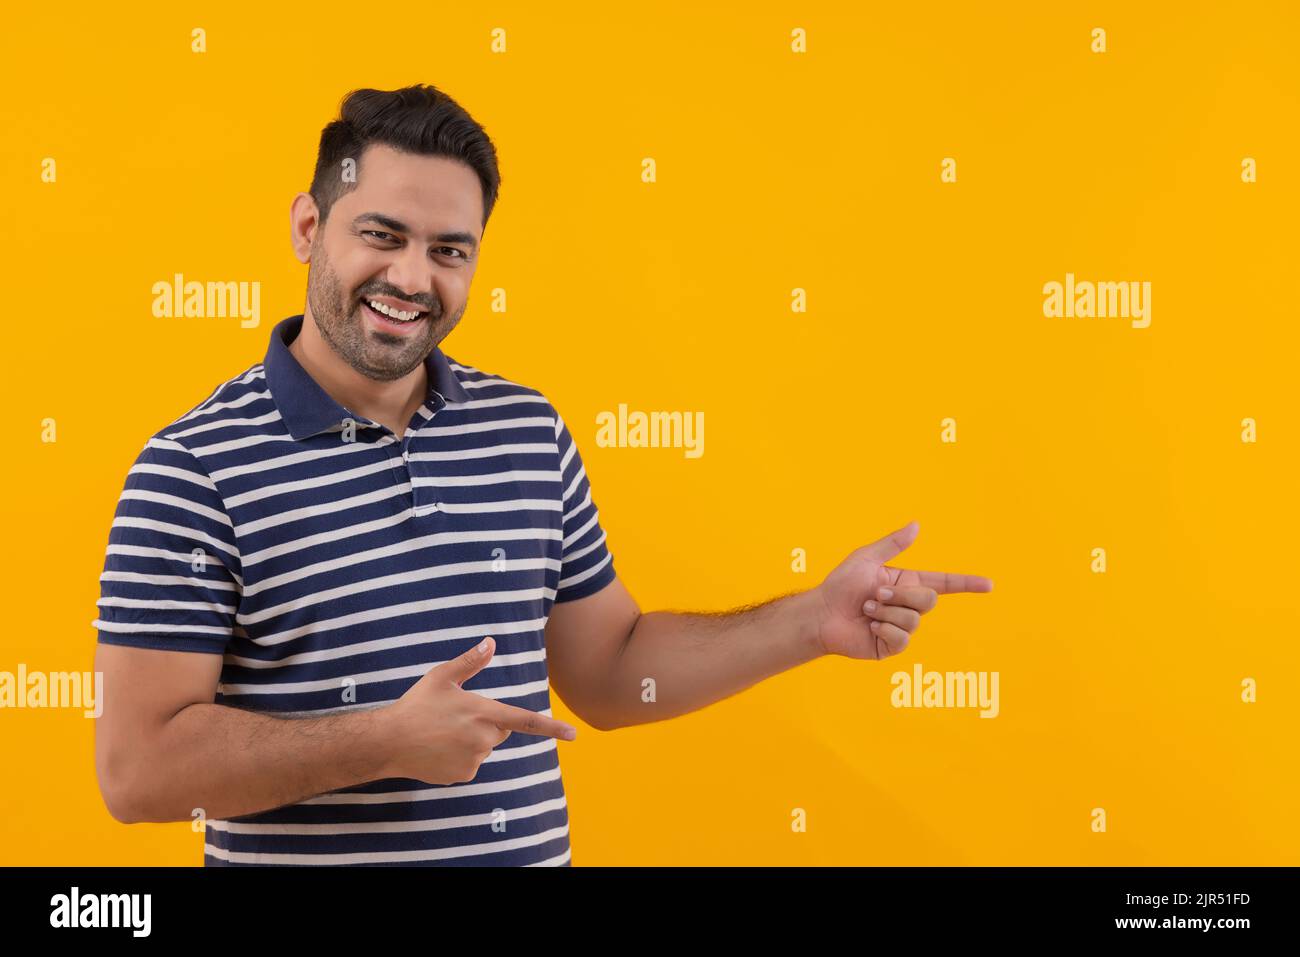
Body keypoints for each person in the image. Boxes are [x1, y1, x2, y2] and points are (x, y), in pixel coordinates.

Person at [92, 85, 994, 866]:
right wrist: (386, 740)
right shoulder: (192, 470)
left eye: (451, 249)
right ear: (307, 228)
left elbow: (607, 672)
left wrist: (814, 620)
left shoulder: (526, 429)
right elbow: (136, 771)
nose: (413, 276)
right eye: (382, 235)